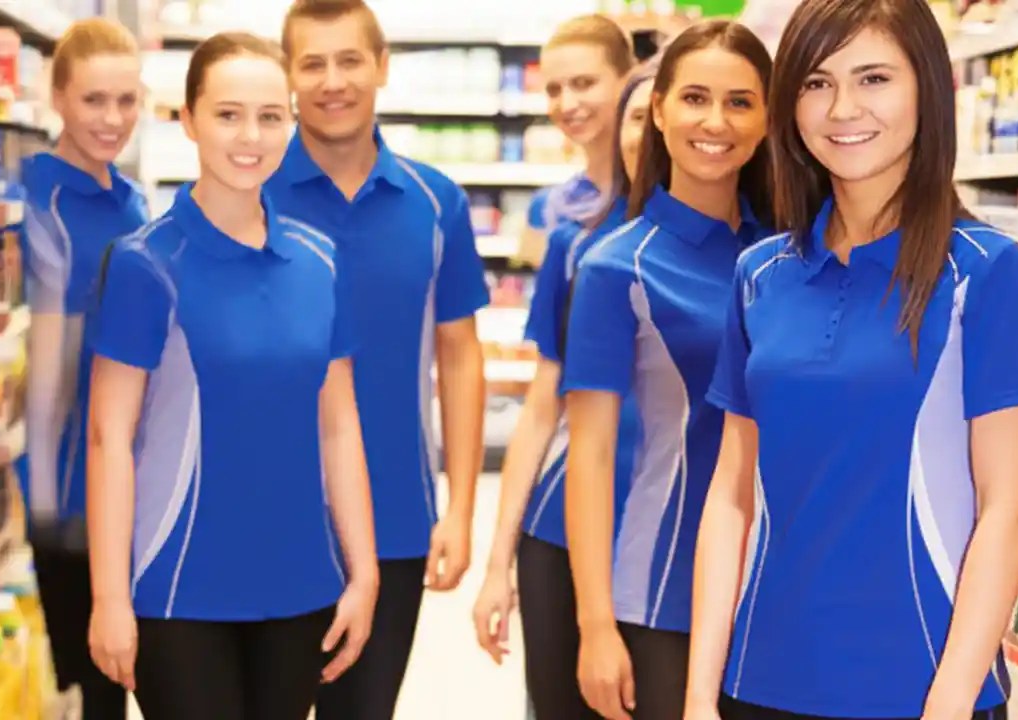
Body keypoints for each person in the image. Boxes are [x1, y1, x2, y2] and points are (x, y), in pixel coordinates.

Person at [685, 2, 1018, 720]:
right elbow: (731, 496)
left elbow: (1008, 509)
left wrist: (948, 703)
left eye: (875, 78)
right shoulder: (760, 274)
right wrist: (701, 693)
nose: (843, 108)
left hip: (922, 690)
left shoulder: (986, 272)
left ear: (927, 89)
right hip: (760, 681)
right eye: (816, 82)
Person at [83, 32, 378, 720]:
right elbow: (108, 439)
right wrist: (109, 598)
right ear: (187, 120)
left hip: (301, 583)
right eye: (228, 114)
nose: (251, 136)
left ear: (293, 122)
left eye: (271, 116)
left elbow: (338, 425)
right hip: (179, 589)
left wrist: (362, 571)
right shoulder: (145, 264)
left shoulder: (320, 260)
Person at [263, 2, 489, 717]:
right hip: (264, 514)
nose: (333, 81)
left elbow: (459, 355)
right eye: (313, 62)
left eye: (350, 59)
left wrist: (460, 508)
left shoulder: (435, 202)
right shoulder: (250, 192)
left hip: (395, 515)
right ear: (289, 77)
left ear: (382, 66)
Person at [562, 20, 775, 720]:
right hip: (664, 591)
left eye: (741, 102)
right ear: (658, 110)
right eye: (694, 98)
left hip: (778, 588)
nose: (716, 121)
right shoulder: (615, 265)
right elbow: (588, 457)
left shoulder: (791, 257)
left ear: (769, 117)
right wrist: (596, 626)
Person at [472, 62, 656, 720]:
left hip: (676, 532)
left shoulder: (755, 248)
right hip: (562, 530)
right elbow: (541, 410)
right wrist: (497, 563)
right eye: (639, 115)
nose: (654, 130)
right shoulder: (576, 246)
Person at [18, 17, 148, 720]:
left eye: (126, 101)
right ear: (58, 96)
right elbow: (46, 375)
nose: (112, 119)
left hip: (124, 484)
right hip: (64, 503)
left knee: (114, 687)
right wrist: (43, 509)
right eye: (94, 100)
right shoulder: (36, 198)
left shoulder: (132, 201)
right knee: (84, 691)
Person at [520, 15, 635, 263]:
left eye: (584, 83)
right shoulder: (547, 209)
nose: (567, 104)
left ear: (628, 82)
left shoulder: (664, 200)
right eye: (553, 90)